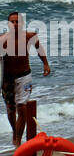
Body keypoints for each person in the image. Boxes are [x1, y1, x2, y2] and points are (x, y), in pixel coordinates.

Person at [3, 12, 51, 147]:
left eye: (17, 21)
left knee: (22, 107)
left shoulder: (30, 36)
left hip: (24, 76)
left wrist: (46, 64)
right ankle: (15, 132)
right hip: (7, 79)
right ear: (8, 24)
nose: (15, 24)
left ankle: (18, 139)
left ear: (22, 23)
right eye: (12, 21)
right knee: (11, 109)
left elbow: (39, 49)